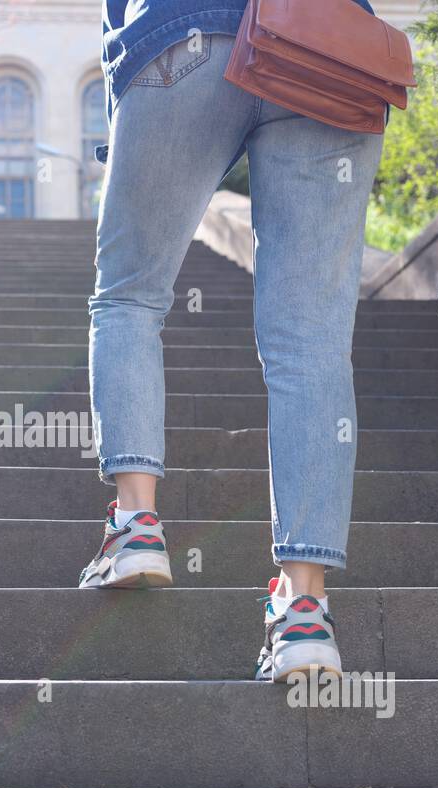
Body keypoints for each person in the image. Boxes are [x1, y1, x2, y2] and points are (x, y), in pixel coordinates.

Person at [77, 0, 385, 683]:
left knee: (130, 293)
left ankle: (136, 526)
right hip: (329, 48)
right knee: (312, 346)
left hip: (185, 35)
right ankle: (305, 610)